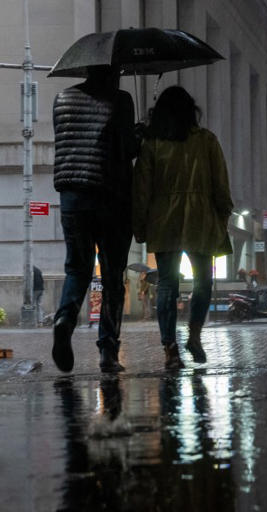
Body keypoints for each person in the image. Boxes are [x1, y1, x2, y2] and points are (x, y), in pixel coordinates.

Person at [133, 86, 233, 370]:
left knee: (167, 284)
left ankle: (170, 348)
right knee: (204, 282)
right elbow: (221, 185)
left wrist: (140, 226)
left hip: (163, 221)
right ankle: (195, 335)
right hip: (201, 220)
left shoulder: (152, 145)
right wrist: (222, 215)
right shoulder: (207, 141)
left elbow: (141, 190)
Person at [51, 65, 137, 373]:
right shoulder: (121, 100)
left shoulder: (62, 99)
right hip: (110, 196)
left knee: (77, 268)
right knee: (112, 276)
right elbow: (127, 148)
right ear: (112, 74)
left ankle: (64, 319)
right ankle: (108, 351)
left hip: (72, 196)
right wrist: (139, 133)